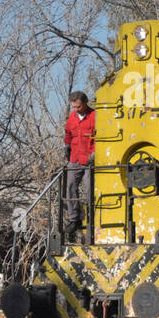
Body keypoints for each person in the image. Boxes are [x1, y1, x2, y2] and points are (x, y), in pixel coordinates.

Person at [63, 91, 96, 240]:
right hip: (75, 159)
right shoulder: (72, 117)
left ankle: (91, 219)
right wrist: (66, 146)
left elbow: (100, 137)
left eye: (78, 106)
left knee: (90, 190)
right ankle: (74, 219)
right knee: (69, 186)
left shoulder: (95, 116)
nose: (76, 109)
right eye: (74, 107)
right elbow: (68, 134)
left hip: (89, 160)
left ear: (85, 103)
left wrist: (94, 155)